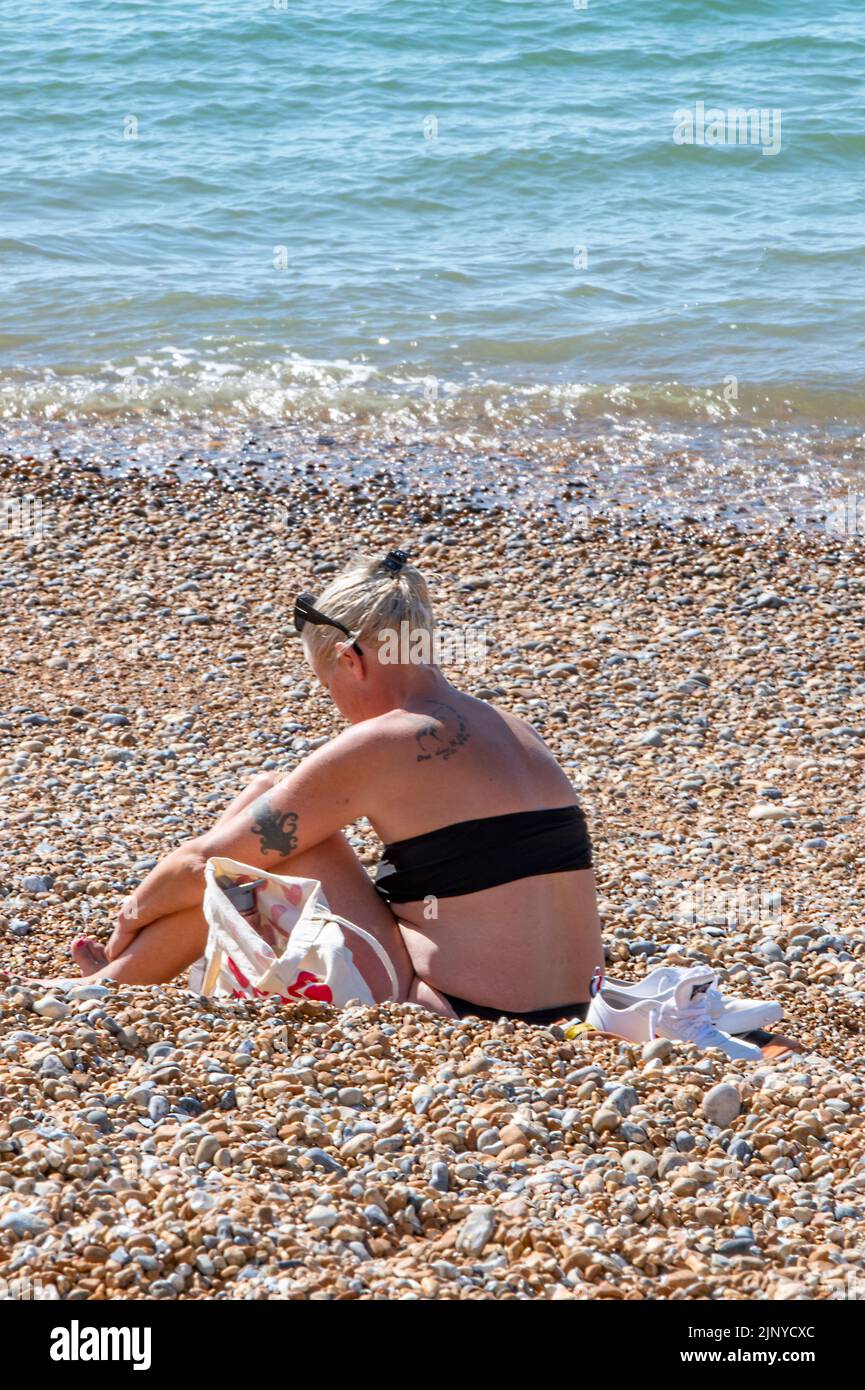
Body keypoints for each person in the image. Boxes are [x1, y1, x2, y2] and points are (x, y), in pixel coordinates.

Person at [48, 548, 604, 1022]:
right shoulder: (512, 728)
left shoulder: (388, 739)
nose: (337, 706)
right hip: (578, 1012)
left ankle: (118, 980)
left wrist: (131, 916)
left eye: (328, 684)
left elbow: (204, 864)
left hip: (465, 1014)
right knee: (272, 800)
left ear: (349, 660)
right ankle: (121, 979)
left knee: (267, 844)